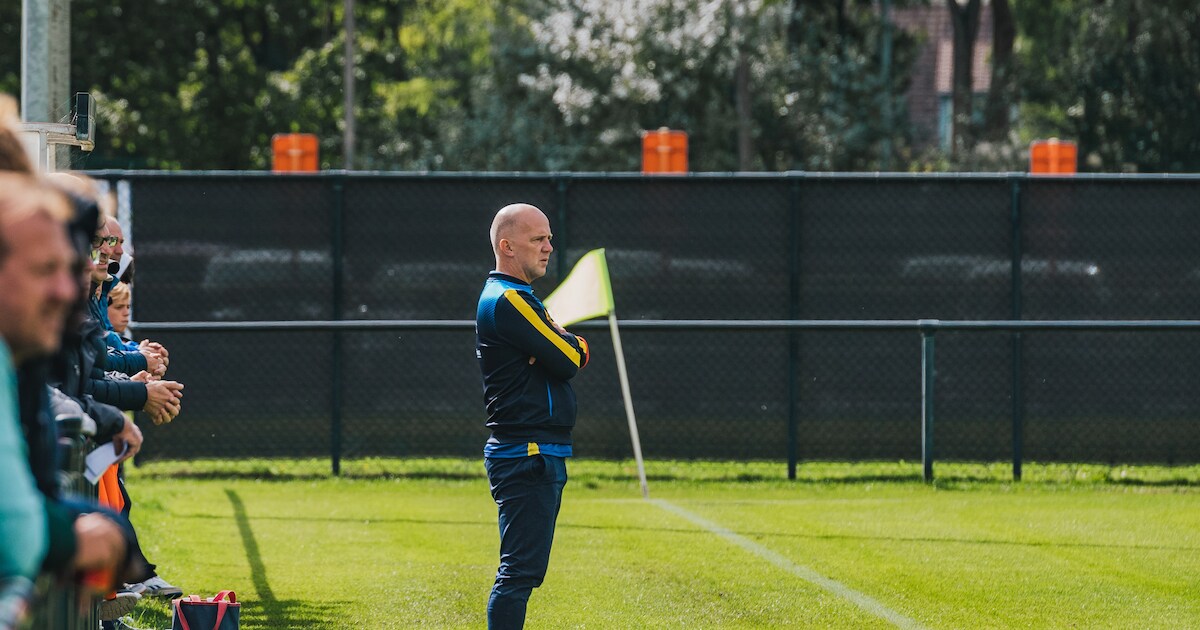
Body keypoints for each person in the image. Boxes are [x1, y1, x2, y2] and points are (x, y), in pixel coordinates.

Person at [475, 203, 590, 629]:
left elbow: (556, 352)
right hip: (528, 454)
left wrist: (558, 342)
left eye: (549, 237)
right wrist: (571, 342)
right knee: (518, 573)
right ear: (506, 246)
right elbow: (569, 357)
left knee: (522, 572)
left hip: (535, 451)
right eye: (537, 239)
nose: (548, 247)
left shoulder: (519, 299)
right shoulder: (509, 299)